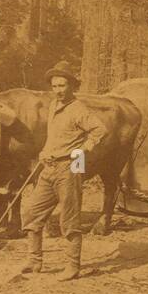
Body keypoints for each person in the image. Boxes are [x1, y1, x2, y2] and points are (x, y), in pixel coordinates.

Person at [20, 61, 107, 281]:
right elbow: (55, 136)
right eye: (55, 86)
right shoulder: (53, 106)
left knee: (69, 218)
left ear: (71, 86)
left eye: (62, 85)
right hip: (48, 167)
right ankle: (34, 260)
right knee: (32, 212)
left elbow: (100, 129)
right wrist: (44, 151)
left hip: (70, 167)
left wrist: (81, 151)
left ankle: (72, 267)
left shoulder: (78, 109)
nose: (58, 90)